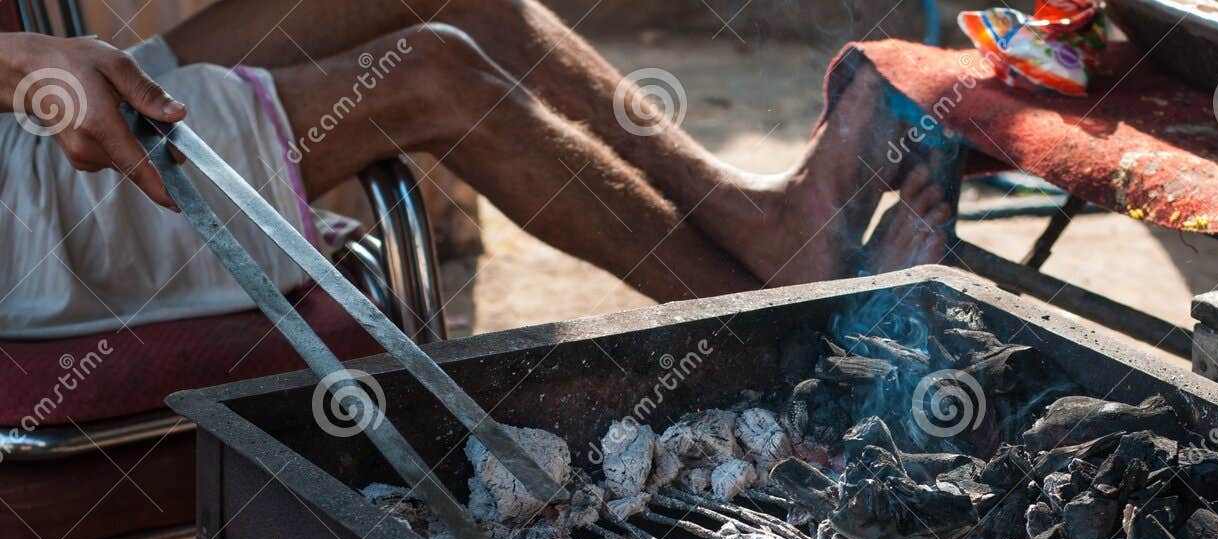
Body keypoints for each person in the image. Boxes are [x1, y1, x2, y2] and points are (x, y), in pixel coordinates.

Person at [0, 0, 954, 338]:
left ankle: (765, 226)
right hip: (21, 179)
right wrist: (18, 63)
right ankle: (779, 336)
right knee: (433, 73)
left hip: (45, 76)